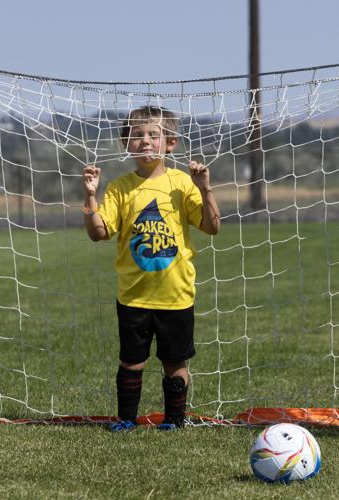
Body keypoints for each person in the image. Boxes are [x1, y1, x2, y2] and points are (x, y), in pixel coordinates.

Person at [81, 106, 221, 431]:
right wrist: (90, 198)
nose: (145, 141)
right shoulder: (119, 188)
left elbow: (212, 227)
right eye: (137, 135)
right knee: (131, 362)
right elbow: (99, 233)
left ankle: (174, 420)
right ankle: (127, 419)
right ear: (126, 143)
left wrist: (204, 188)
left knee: (174, 362)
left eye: (153, 135)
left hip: (176, 295)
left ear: (169, 143)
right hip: (133, 295)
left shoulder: (182, 183)